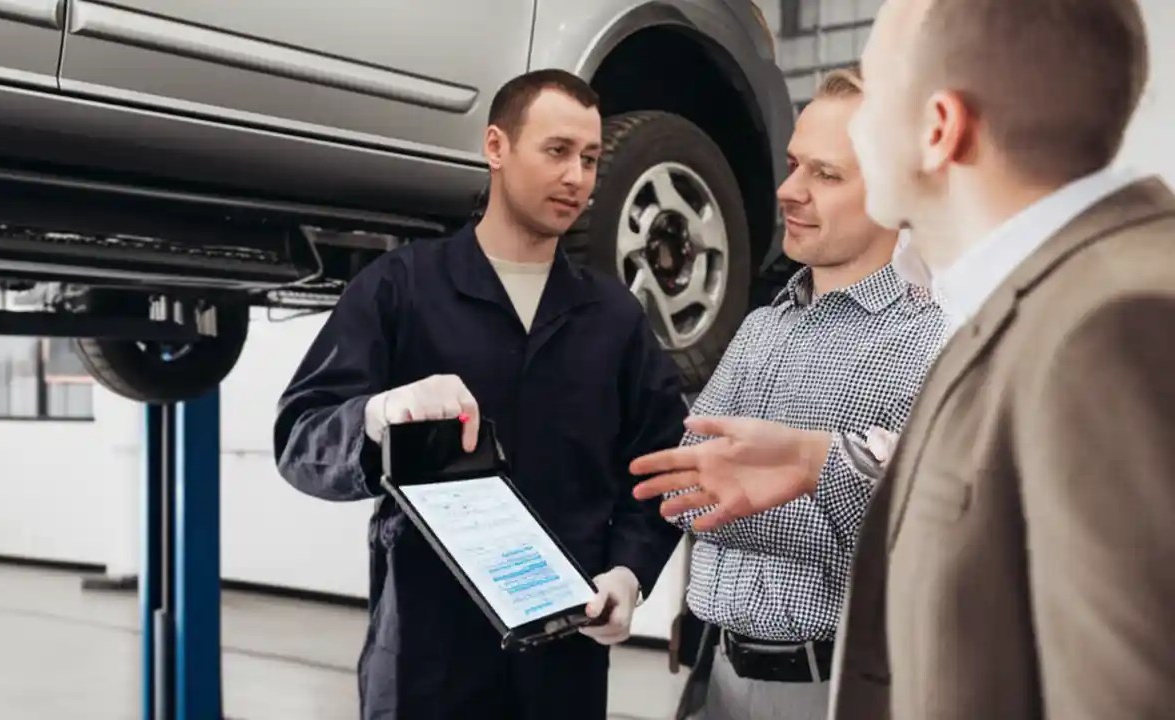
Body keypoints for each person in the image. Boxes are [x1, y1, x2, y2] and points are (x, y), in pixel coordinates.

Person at [631, 0, 1175, 718]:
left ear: (937, 129)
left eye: (876, 91)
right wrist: (828, 466)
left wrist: (823, 484)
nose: (792, 186)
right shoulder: (1031, 307)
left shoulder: (1115, 322)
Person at [273, 68, 687, 720]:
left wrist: (629, 575)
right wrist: (379, 414)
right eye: (557, 152)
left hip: (563, 657)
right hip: (423, 660)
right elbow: (301, 437)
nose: (577, 177)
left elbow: (663, 463)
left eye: (590, 158)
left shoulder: (614, 319)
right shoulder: (400, 289)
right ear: (496, 146)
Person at [664, 68, 946, 720]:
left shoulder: (929, 345)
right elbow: (682, 487)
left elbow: (900, 540)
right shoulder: (761, 328)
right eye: (793, 165)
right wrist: (823, 488)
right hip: (713, 678)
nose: (789, 191)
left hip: (837, 691)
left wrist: (751, 498)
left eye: (826, 174)